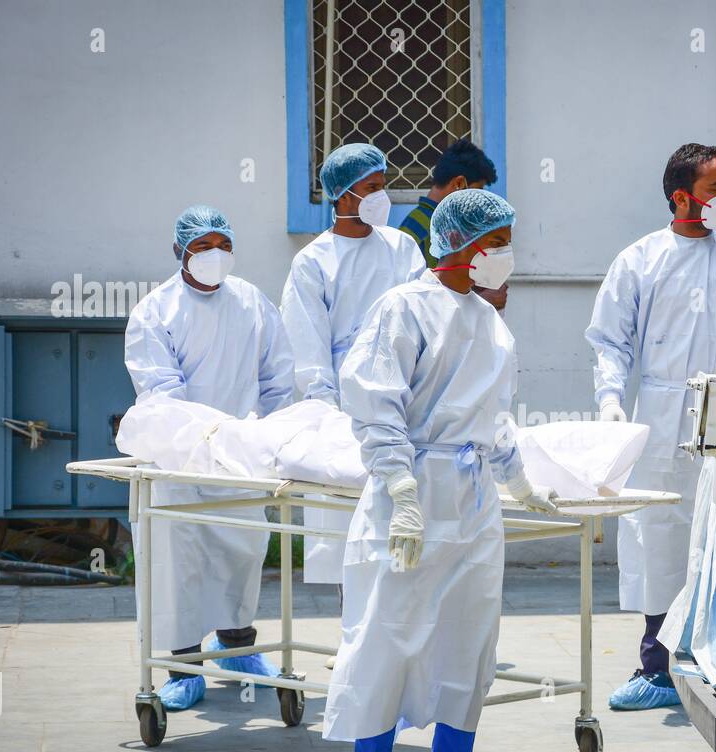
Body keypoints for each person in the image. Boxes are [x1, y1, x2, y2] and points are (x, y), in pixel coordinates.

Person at [325, 189, 557, 752]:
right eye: (500, 240)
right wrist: (399, 489)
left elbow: (494, 422)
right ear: (462, 246)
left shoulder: (492, 323)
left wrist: (519, 484)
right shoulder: (403, 308)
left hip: (475, 508)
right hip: (413, 504)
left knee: (468, 654)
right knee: (384, 647)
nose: (508, 254)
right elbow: (374, 406)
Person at [585, 144, 716, 711]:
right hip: (661, 417)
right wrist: (610, 402)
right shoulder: (639, 261)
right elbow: (610, 341)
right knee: (659, 539)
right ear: (681, 197)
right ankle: (657, 670)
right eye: (714, 189)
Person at [124, 205, 296, 711]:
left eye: (223, 245)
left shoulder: (251, 302)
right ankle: (182, 664)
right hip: (179, 457)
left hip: (242, 456)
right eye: (203, 247)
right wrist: (205, 440)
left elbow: (277, 377)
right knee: (181, 562)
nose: (215, 255)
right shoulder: (155, 313)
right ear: (180, 252)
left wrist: (271, 437)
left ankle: (238, 646)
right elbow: (161, 391)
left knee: (243, 551)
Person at [280, 143, 425, 598]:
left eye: (384, 186)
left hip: (406, 395)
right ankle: (354, 635)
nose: (383, 196)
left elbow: (424, 317)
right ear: (343, 196)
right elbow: (307, 348)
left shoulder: (402, 249)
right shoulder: (313, 262)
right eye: (372, 188)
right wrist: (328, 412)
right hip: (344, 407)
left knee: (404, 517)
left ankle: (398, 637)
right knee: (352, 526)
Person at [399, 138, 509, 311]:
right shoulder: (418, 232)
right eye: (477, 191)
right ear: (458, 184)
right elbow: (420, 300)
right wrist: (480, 301)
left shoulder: (460, 226)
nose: (479, 200)